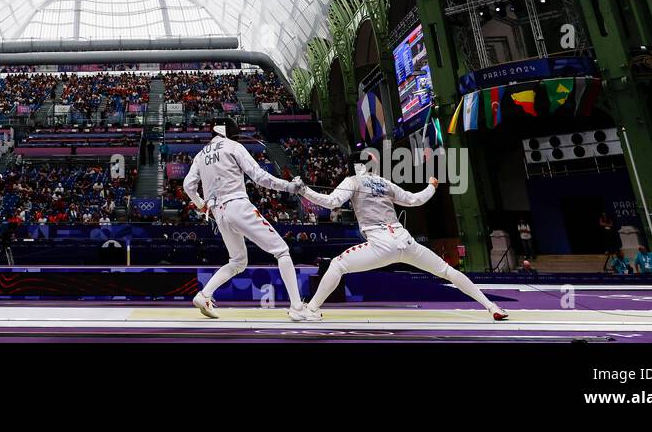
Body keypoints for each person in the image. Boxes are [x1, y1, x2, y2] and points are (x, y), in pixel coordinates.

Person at [295, 155, 508, 321]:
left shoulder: (352, 181)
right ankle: (492, 307)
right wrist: (431, 187)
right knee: (446, 271)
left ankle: (312, 309)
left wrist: (304, 191)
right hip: (405, 241)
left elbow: (332, 202)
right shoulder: (385, 183)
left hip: (381, 243)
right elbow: (415, 200)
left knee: (337, 265)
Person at [181, 116, 312, 321]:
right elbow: (259, 176)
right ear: (227, 130)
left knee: (238, 261)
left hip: (218, 213)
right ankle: (297, 307)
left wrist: (201, 204)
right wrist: (289, 186)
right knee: (282, 250)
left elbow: (188, 186)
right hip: (237, 205)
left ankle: (204, 295)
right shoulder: (234, 146)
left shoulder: (200, 155)